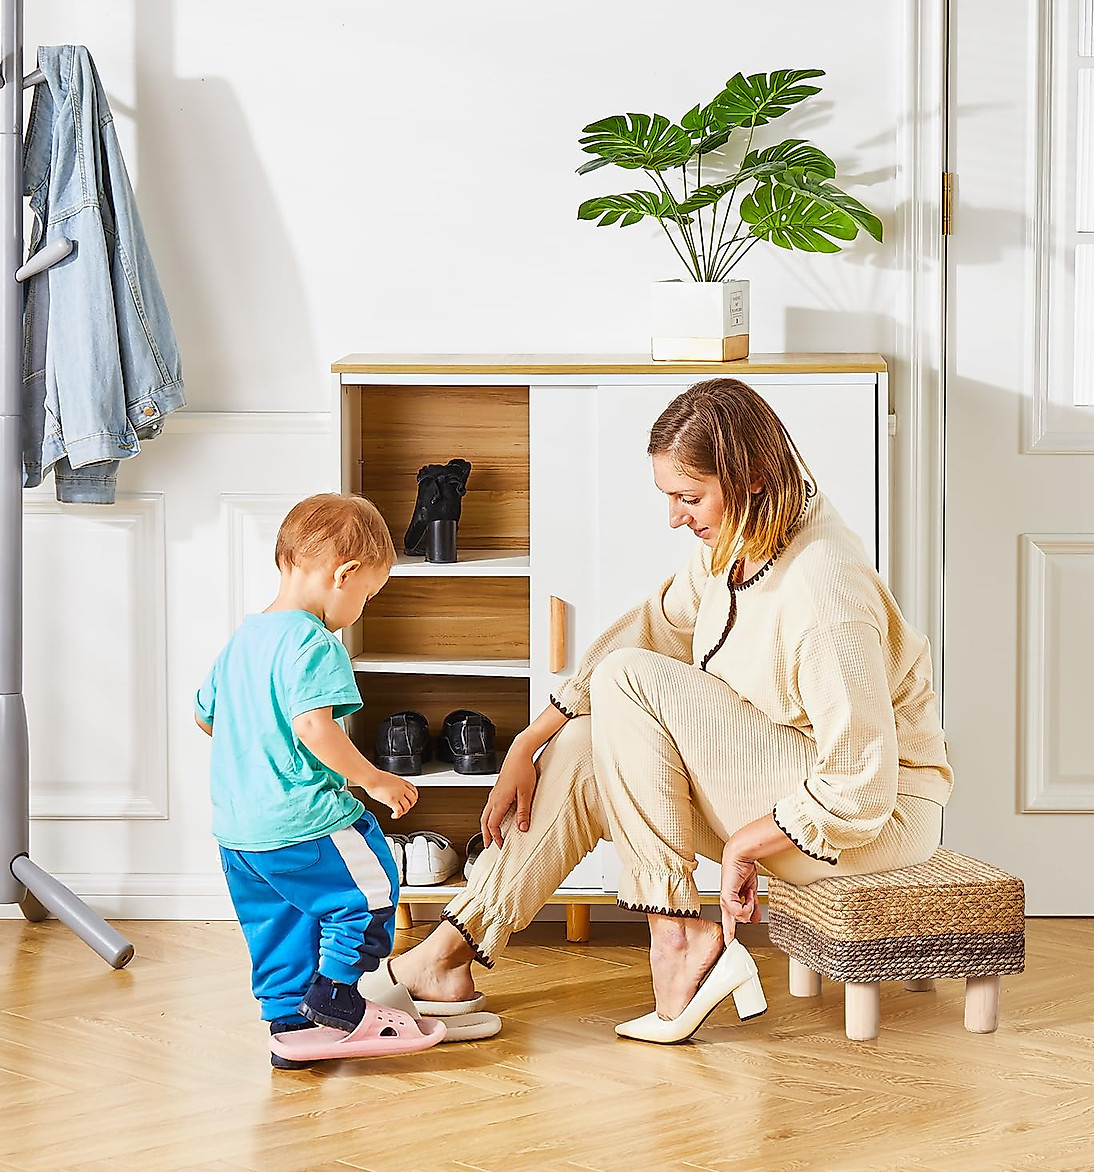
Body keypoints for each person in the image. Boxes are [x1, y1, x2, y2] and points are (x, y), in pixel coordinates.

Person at [386, 378, 954, 1043]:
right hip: (795, 782)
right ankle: (446, 957)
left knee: (629, 683)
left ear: (754, 479)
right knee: (581, 747)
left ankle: (680, 938)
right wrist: (529, 740)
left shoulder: (824, 588)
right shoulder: (738, 546)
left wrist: (748, 840)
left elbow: (862, 784)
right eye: (669, 498)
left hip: (869, 824)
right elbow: (652, 628)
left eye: (689, 498)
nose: (676, 519)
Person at [194, 493, 419, 1066]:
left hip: (240, 833)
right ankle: (339, 999)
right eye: (367, 594)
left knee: (277, 923)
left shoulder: (244, 639)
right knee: (369, 896)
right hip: (305, 821)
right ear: (344, 575)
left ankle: (291, 1026)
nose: (362, 607)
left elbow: (205, 717)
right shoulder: (314, 642)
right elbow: (315, 727)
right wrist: (373, 778)